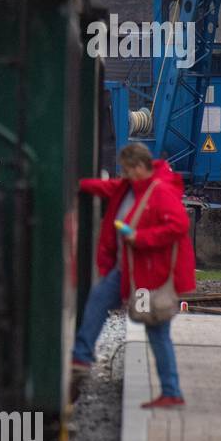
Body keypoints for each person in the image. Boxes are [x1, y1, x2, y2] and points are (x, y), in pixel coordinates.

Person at [73, 142, 196, 408]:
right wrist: (79, 184)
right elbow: (106, 188)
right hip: (128, 270)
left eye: (128, 169)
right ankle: (81, 356)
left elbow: (179, 225)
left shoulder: (159, 191)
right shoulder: (131, 187)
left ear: (140, 167)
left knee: (156, 328)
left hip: (147, 274)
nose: (124, 175)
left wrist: (140, 238)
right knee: (101, 301)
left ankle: (172, 391)